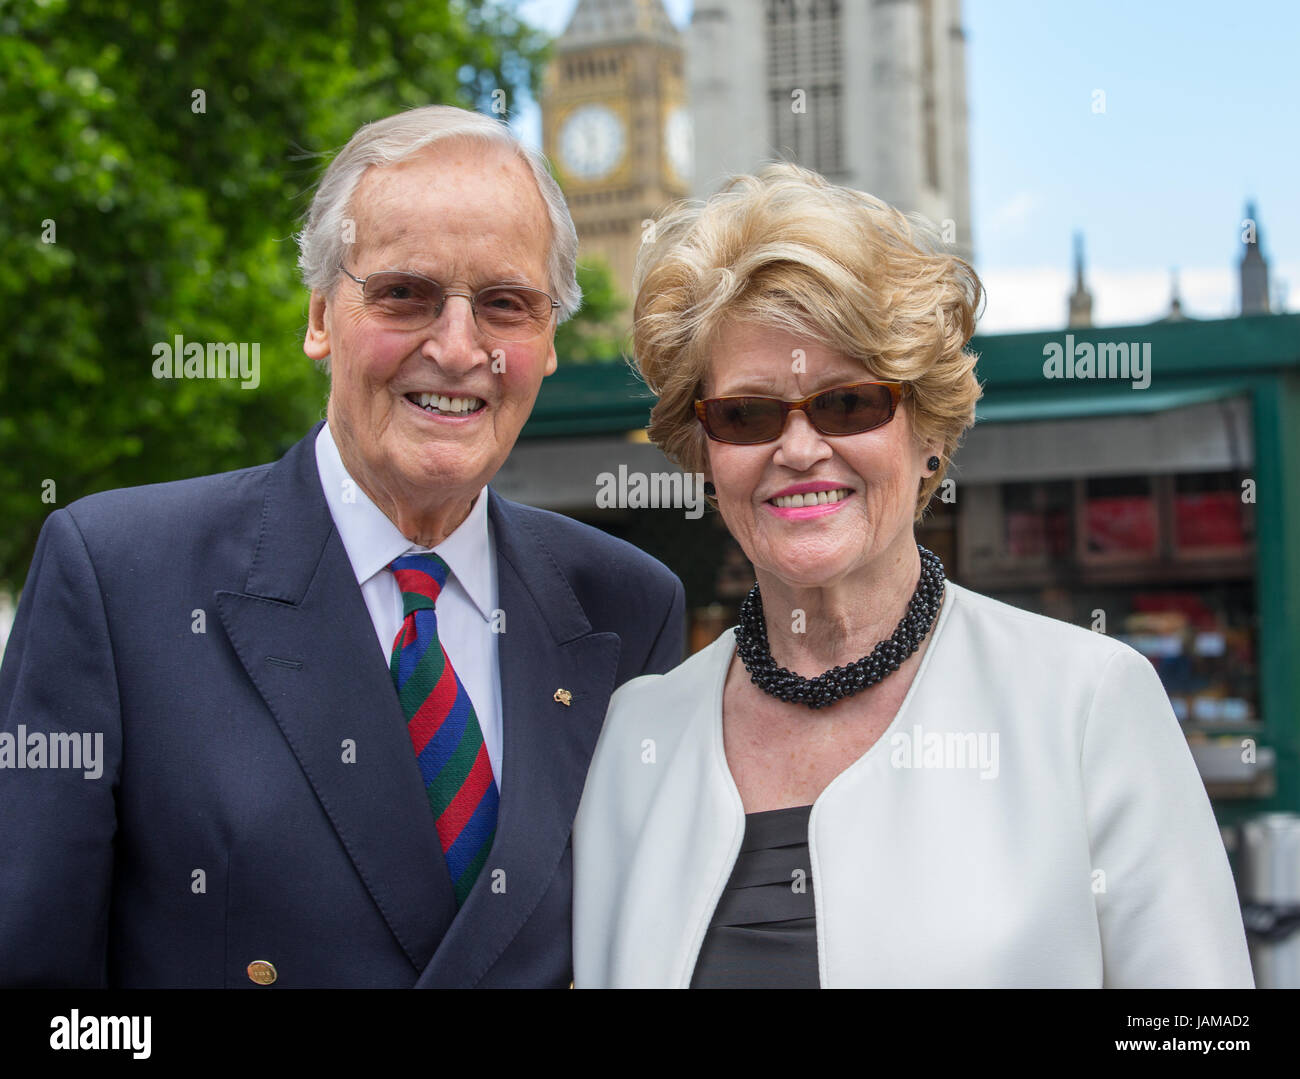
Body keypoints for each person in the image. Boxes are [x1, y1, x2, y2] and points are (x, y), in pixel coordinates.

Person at [0, 104, 685, 988]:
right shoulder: (119, 576)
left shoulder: (629, 609)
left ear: (549, 342)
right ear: (321, 315)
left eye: (506, 305)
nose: (457, 346)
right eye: (405, 294)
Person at [571, 163, 1254, 988]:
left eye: (848, 403)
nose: (797, 449)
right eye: (748, 414)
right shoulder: (637, 735)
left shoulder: (1087, 702)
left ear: (927, 430)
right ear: (706, 454)